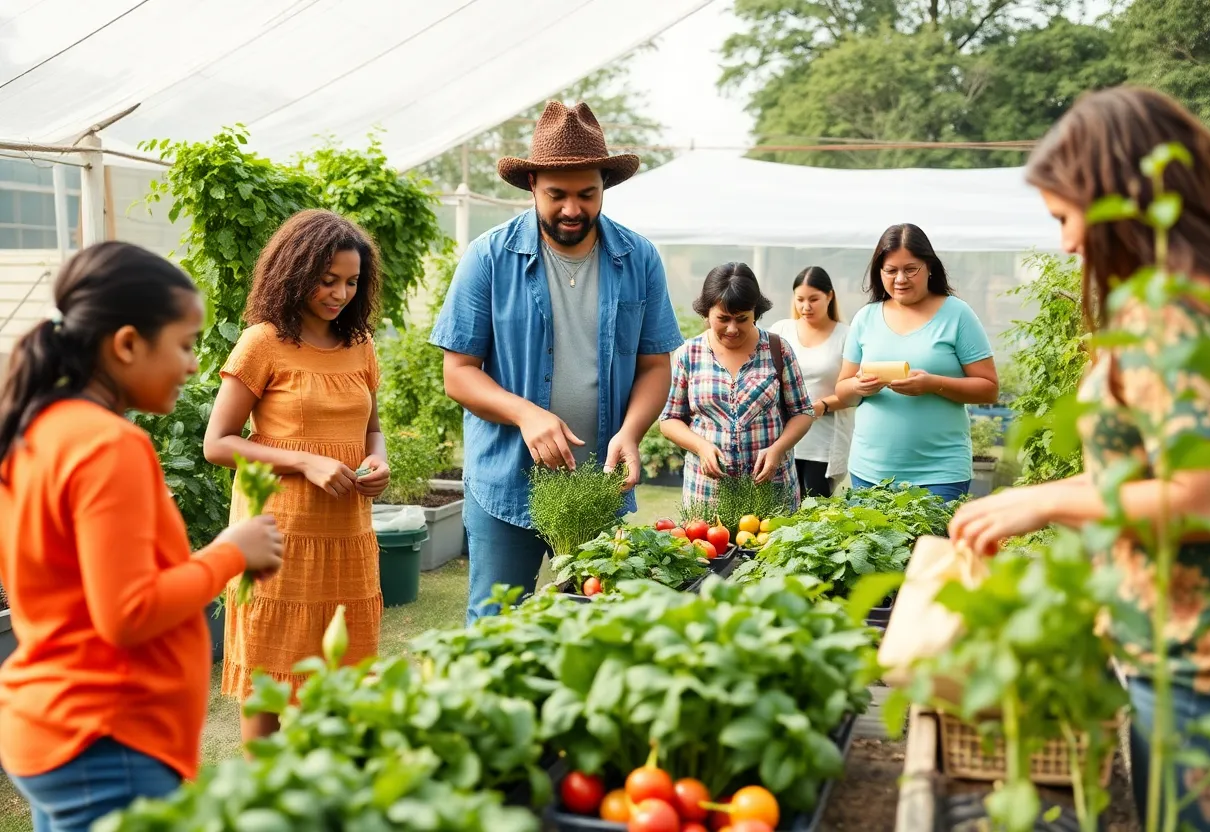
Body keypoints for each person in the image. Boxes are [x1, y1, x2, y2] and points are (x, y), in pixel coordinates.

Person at [949, 86, 1210, 831]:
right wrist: (1041, 494)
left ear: (1121, 201)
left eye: (1066, 218)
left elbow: (1201, 495)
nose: (1066, 243)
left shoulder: (1176, 312)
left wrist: (1046, 501)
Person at [0, 242, 283, 831]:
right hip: (109, 740)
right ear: (126, 344)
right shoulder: (108, 446)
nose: (192, 366)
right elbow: (127, 613)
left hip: (56, 726)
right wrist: (231, 552)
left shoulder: (37, 429)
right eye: (183, 345)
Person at [430, 100, 683, 624]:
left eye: (586, 194)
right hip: (506, 479)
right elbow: (458, 373)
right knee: (496, 625)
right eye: (557, 195)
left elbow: (655, 364)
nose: (572, 208)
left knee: (598, 625)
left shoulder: (639, 259)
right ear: (532, 188)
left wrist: (631, 432)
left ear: (604, 187)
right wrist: (526, 414)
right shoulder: (488, 257)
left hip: (599, 483)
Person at [203, 209, 390, 742]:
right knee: (270, 680)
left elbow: (372, 430)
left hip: (346, 538)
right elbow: (218, 442)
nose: (340, 293)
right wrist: (304, 460)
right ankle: (265, 801)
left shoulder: (360, 344)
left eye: (352, 282)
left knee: (340, 681)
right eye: (327, 279)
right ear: (295, 270)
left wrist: (378, 460)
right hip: (278, 537)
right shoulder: (262, 342)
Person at [833, 224, 999, 502]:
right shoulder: (865, 318)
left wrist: (933, 384)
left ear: (929, 267)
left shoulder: (957, 314)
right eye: (890, 270)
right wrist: (859, 387)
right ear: (879, 272)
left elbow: (989, 389)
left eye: (911, 269)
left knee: (932, 546)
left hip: (941, 474)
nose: (900, 279)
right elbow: (842, 391)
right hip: (869, 472)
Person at [659, 262, 815, 511]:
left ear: (755, 312)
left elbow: (803, 412)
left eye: (742, 319)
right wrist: (700, 446)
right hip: (707, 494)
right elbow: (669, 420)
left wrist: (777, 450)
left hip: (771, 491)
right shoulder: (690, 353)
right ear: (706, 313)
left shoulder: (777, 349)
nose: (732, 328)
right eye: (723, 318)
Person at [768, 266, 851, 499]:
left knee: (815, 512)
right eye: (800, 299)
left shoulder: (846, 336)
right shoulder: (781, 331)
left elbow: (855, 391)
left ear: (830, 296)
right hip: (782, 437)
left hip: (823, 444)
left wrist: (821, 406)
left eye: (814, 299)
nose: (806, 307)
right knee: (778, 510)